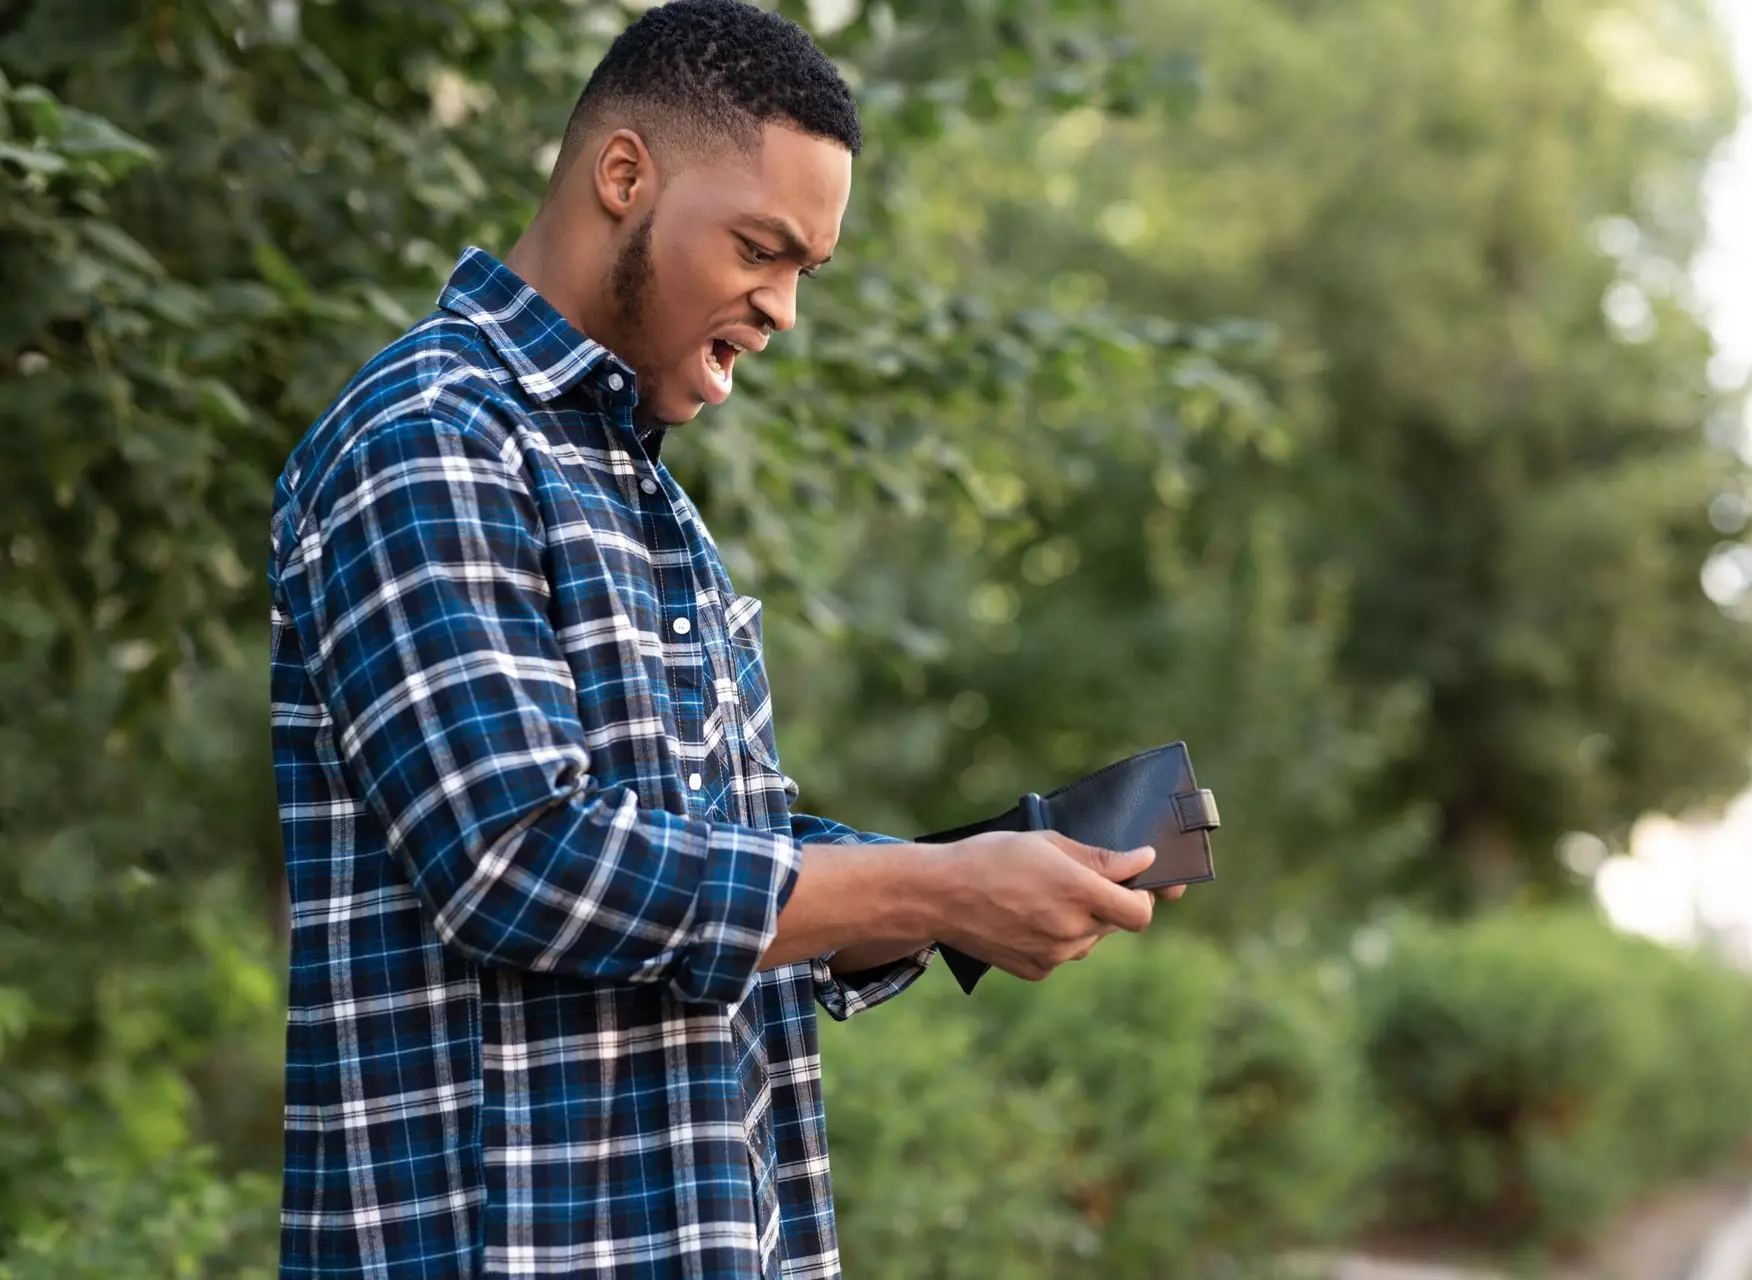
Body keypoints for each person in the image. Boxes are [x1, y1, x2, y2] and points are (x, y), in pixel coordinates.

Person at [267, 2, 1179, 1275]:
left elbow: (715, 869)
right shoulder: (431, 438)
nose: (785, 311)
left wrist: (967, 883)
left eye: (810, 268)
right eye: (764, 248)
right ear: (624, 175)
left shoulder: (648, 497)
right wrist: (934, 885)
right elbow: (520, 863)